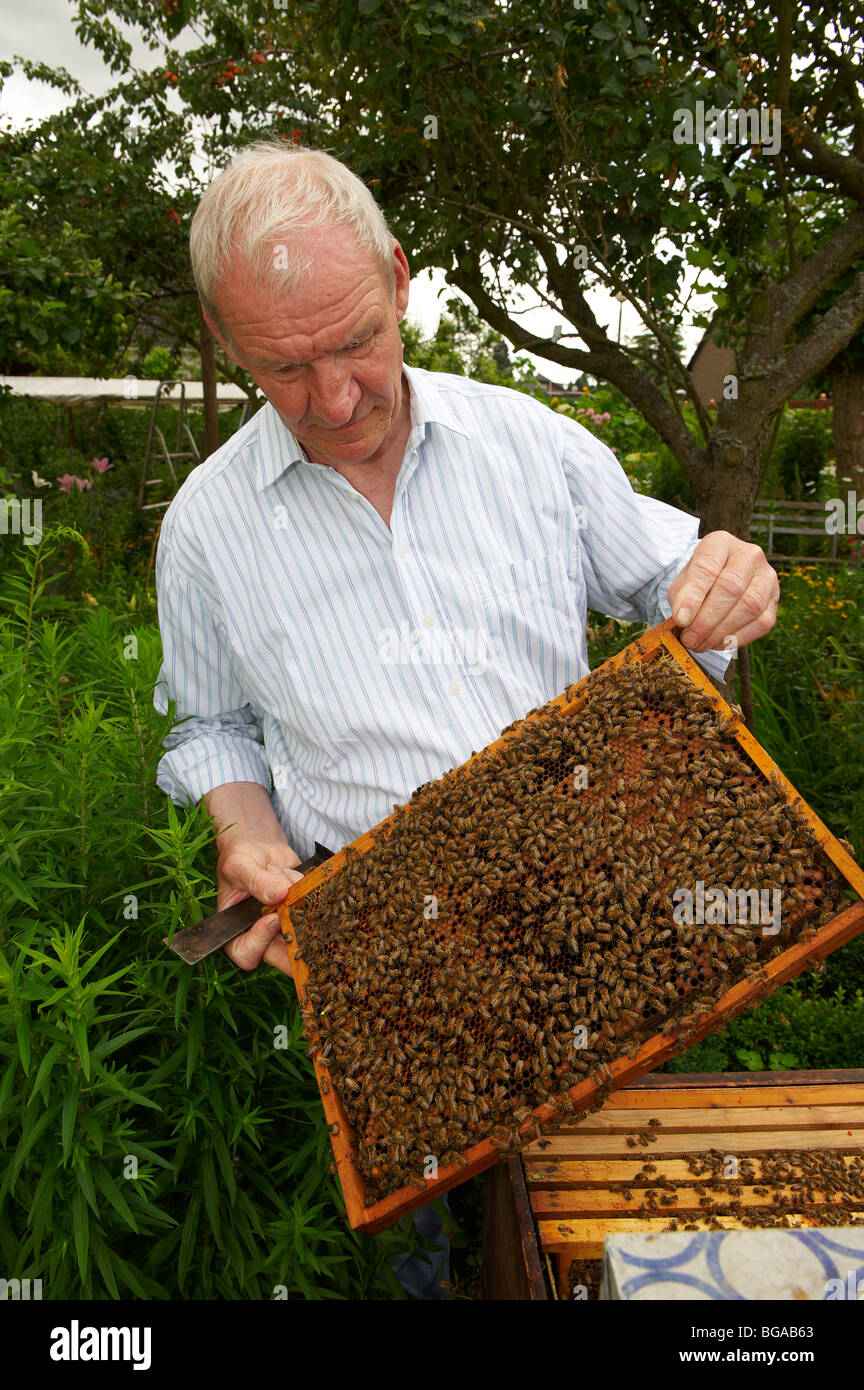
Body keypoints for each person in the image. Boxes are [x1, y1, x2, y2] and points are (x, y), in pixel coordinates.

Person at [152, 139, 779, 1299]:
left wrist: (731, 576)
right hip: (376, 939)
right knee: (421, 1260)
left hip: (581, 904)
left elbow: (674, 581)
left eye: (354, 344)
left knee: (611, 1238)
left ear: (398, 279)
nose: (333, 400)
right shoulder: (203, 529)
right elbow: (212, 726)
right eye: (285, 370)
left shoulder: (533, 447)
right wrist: (240, 828)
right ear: (227, 340)